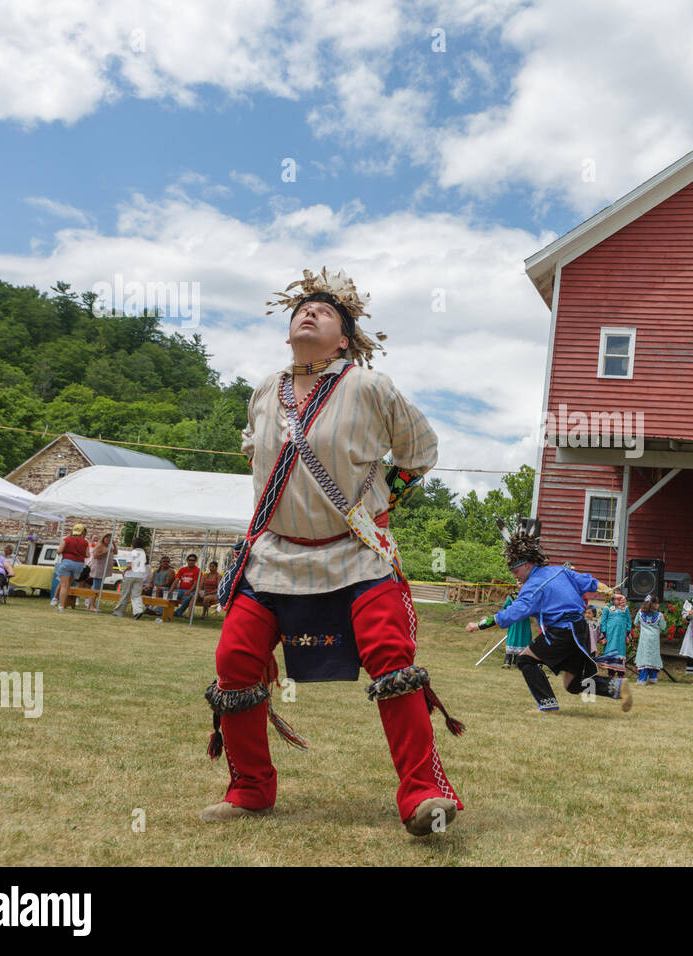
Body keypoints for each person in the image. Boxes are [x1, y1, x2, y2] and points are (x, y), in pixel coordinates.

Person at [202, 267, 463, 836]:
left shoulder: (371, 388)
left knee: (393, 659)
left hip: (356, 557)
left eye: (325, 311)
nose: (309, 312)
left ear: (344, 338)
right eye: (302, 308)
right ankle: (249, 789)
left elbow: (421, 452)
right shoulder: (264, 391)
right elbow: (257, 453)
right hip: (273, 557)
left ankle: (423, 794)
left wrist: (378, 502)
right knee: (234, 664)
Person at [466, 519, 632, 714]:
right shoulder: (561, 570)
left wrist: (479, 625)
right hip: (580, 630)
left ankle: (547, 704)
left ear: (527, 565)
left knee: (525, 660)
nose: (514, 576)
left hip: (561, 632)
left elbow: (512, 613)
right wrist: (613, 595)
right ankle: (617, 688)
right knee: (572, 683)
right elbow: (589, 582)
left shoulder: (532, 586)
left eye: (516, 571)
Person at [54, 524, 91, 612]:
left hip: (67, 562)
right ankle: (63, 604)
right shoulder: (85, 542)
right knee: (68, 586)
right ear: (82, 532)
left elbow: (59, 551)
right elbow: (87, 555)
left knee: (64, 585)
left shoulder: (66, 539)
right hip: (79, 564)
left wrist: (59, 551)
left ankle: (61, 606)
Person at [597, 588, 631, 678]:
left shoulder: (625, 608)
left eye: (620, 597)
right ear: (612, 598)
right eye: (616, 597)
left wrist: (627, 634)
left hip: (621, 635)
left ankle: (620, 674)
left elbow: (628, 621)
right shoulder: (608, 608)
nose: (618, 599)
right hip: (610, 635)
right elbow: (603, 621)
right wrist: (604, 634)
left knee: (620, 653)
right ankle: (611, 673)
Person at [633, 596, 665, 685]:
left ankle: (642, 679)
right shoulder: (659, 615)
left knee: (644, 658)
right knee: (652, 658)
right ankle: (653, 678)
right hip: (654, 639)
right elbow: (663, 626)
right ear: (654, 604)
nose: (658, 605)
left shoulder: (640, 613)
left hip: (644, 639)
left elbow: (636, 623)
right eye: (657, 603)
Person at [500, 591, 532, 668]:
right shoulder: (512, 596)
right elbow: (506, 606)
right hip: (514, 620)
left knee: (522, 639)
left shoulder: (529, 594)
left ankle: (517, 661)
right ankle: (507, 661)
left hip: (524, 622)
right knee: (512, 638)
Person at [86, 532, 116, 610]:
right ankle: (91, 606)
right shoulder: (100, 545)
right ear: (104, 538)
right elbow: (95, 556)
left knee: (97, 587)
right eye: (107, 538)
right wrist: (106, 553)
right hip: (98, 568)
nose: (108, 540)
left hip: (103, 569)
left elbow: (115, 552)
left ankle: (90, 605)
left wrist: (114, 544)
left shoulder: (110, 546)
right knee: (96, 587)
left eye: (110, 539)